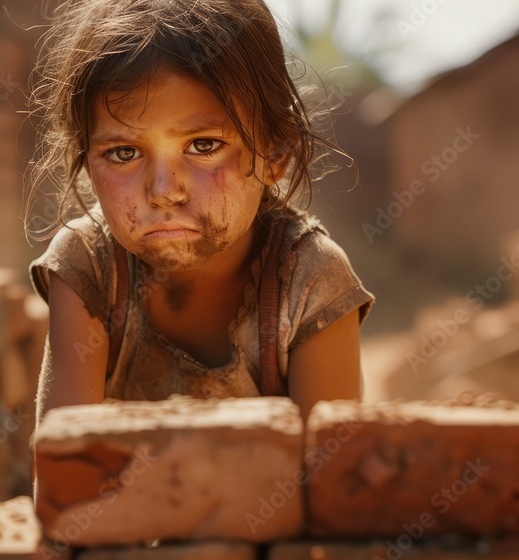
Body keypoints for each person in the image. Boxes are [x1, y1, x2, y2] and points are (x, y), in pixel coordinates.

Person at [25, 0, 376, 427]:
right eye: (124, 152)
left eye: (203, 145)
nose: (164, 192)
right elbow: (63, 458)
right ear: (87, 161)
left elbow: (331, 465)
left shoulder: (311, 280)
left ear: (275, 154)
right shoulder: (91, 266)